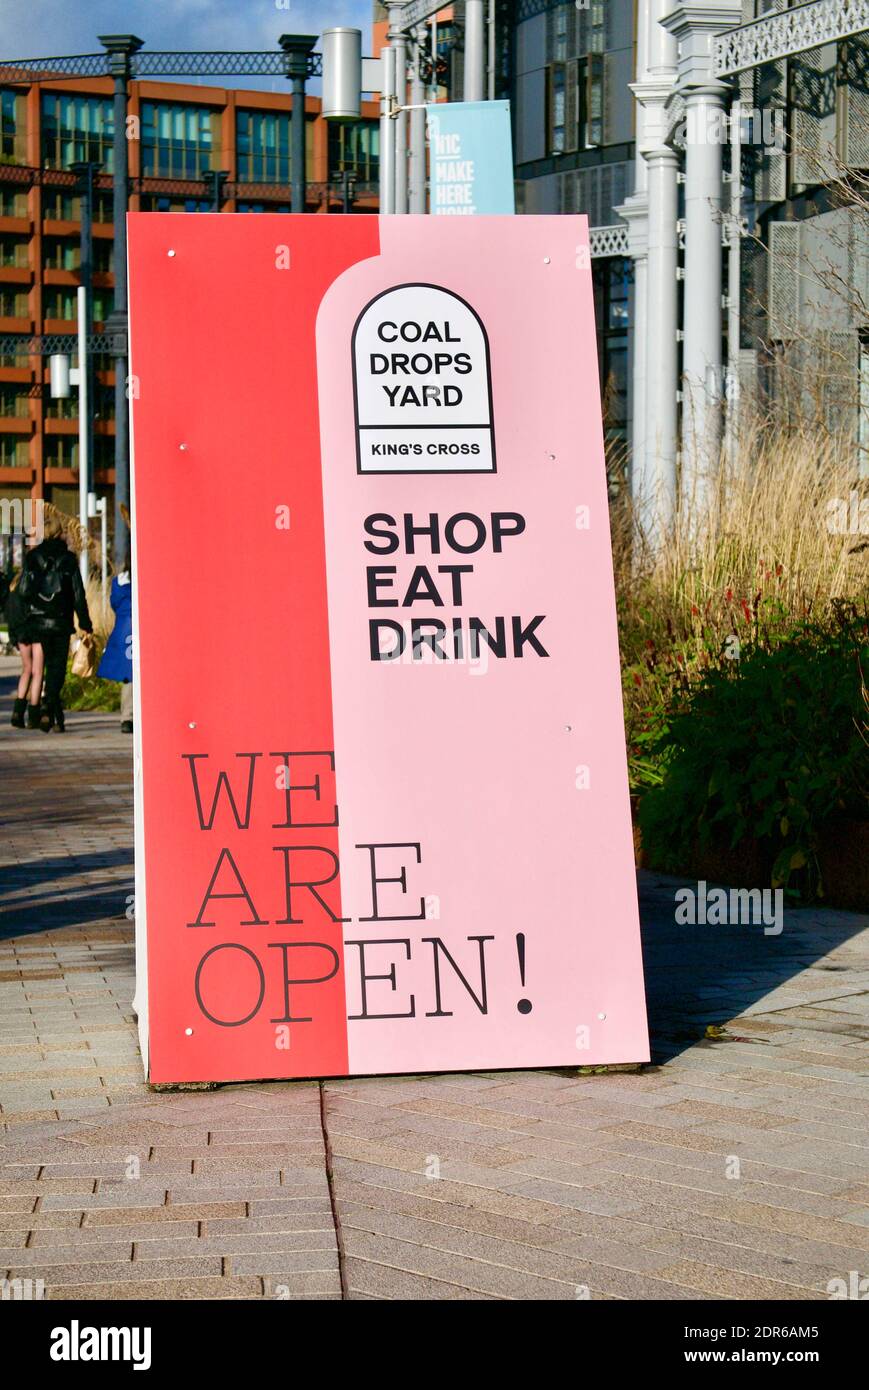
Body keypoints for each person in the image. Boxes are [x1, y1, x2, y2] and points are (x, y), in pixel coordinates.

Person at [18, 515, 92, 733]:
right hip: (60, 621)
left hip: (38, 622)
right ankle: (50, 707)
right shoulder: (68, 559)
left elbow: (23, 591)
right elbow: (78, 594)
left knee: (41, 667)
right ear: (60, 532)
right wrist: (85, 622)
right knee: (57, 669)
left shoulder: (33, 557)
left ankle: (50, 713)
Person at [4, 568, 45, 729]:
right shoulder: (36, 588)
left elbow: (10, 616)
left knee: (26, 669)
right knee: (38, 671)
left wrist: (14, 635)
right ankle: (34, 714)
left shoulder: (14, 591)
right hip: (37, 631)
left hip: (21, 632)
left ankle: (18, 712)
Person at [98, 556, 133, 734]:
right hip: (139, 627)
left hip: (123, 628)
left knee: (128, 674)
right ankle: (131, 715)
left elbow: (114, 604)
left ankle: (127, 716)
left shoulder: (119, 581)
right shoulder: (146, 577)